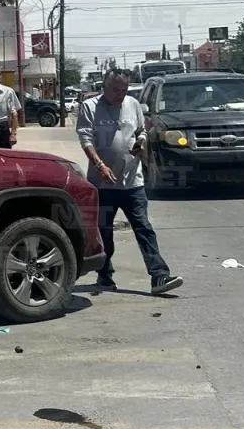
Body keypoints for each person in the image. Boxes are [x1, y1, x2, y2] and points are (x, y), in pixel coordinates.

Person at [76, 69, 184, 295]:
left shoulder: (132, 104)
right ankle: (105, 275)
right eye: (116, 90)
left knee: (144, 227)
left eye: (124, 90)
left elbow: (141, 130)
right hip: (103, 184)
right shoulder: (90, 107)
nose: (120, 95)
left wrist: (141, 142)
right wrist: (99, 165)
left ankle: (159, 276)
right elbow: (86, 138)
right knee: (104, 231)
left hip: (132, 182)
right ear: (104, 85)